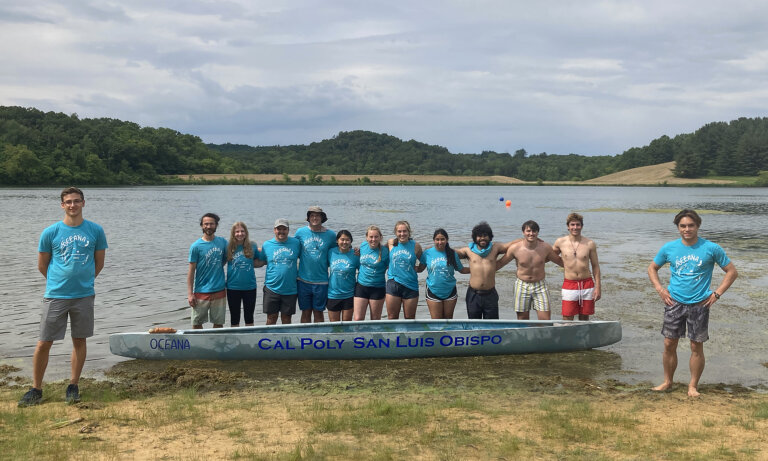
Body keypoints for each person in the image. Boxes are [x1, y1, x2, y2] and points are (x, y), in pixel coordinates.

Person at [19, 187, 108, 407]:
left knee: (79, 340)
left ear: (83, 203)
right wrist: (59, 281)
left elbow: (99, 263)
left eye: (76, 201)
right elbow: (42, 265)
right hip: (56, 295)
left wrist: (84, 280)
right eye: (68, 202)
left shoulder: (95, 231)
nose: (72, 205)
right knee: (44, 342)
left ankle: (73, 386)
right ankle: (36, 388)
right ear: (62, 205)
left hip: (84, 295)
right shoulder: (51, 232)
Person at [647, 209, 737, 397]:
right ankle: (667, 382)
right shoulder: (669, 248)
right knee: (669, 343)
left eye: (690, 225)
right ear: (678, 228)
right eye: (683, 226)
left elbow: (731, 272)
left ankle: (692, 386)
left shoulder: (711, 248)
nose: (687, 229)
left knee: (696, 346)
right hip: (674, 302)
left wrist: (717, 294)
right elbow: (652, 268)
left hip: (700, 304)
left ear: (697, 226)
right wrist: (660, 289)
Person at [497, 220, 563, 321]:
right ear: (523, 232)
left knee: (545, 320)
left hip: (540, 285)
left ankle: (542, 336)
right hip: (522, 284)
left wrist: (579, 266)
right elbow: (501, 263)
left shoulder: (545, 247)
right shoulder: (515, 248)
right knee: (522, 320)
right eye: (528, 231)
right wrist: (481, 270)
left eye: (534, 231)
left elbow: (559, 261)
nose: (531, 233)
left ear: (538, 232)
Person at [455, 222, 514, 319]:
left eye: (485, 235)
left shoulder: (495, 248)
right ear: (474, 238)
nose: (482, 238)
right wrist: (436, 248)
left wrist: (525, 240)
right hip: (473, 295)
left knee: (492, 325)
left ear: (490, 237)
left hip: (490, 294)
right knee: (474, 325)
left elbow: (511, 245)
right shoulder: (468, 251)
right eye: (479, 236)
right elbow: (452, 252)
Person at [553, 213, 601, 320]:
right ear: (568, 226)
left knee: (584, 318)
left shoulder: (589, 243)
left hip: (587, 284)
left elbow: (595, 266)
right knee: (567, 317)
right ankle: (567, 336)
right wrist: (562, 263)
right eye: (572, 225)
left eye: (578, 225)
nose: (575, 227)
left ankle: (583, 337)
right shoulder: (560, 242)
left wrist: (598, 287)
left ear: (582, 226)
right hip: (570, 284)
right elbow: (548, 256)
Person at [294, 206, 337, 323]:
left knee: (318, 312)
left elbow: (340, 251)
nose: (314, 218)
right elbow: (292, 247)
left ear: (322, 218)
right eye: (312, 215)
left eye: (317, 215)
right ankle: (304, 338)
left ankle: (319, 339)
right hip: (303, 280)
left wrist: (355, 252)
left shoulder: (331, 235)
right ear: (308, 218)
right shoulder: (300, 232)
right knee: (306, 311)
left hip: (321, 281)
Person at [187, 213, 228, 329]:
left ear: (216, 225)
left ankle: (217, 345)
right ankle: (198, 345)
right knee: (196, 323)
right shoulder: (196, 246)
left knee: (218, 323)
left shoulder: (223, 242)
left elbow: (228, 257)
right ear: (201, 226)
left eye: (211, 224)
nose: (209, 226)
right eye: (206, 224)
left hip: (219, 290)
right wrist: (190, 294)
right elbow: (191, 272)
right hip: (201, 291)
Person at [419, 229, 470, 319]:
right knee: (436, 322)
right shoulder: (427, 253)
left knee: (448, 320)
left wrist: (478, 269)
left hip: (450, 290)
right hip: (433, 290)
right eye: (437, 239)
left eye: (442, 239)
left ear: (447, 240)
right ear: (434, 240)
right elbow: (420, 269)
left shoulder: (453, 254)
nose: (440, 242)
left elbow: (461, 270)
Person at [262, 218, 301, 325]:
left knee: (287, 319)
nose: (281, 232)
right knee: (271, 318)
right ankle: (268, 341)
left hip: (290, 289)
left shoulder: (296, 243)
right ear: (274, 230)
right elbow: (259, 260)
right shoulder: (267, 245)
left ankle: (286, 341)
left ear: (288, 230)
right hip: (271, 288)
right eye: (279, 229)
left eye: (284, 229)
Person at [225, 222, 265, 327]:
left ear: (246, 233)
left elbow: (259, 261)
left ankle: (250, 342)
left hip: (250, 287)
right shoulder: (228, 247)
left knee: (249, 317)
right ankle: (234, 341)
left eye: (242, 231)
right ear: (233, 233)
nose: (240, 234)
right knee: (234, 318)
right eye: (237, 231)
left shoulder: (252, 245)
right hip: (232, 287)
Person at [386, 221, 423, 319]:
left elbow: (424, 261)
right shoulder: (391, 243)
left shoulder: (416, 246)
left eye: (404, 231)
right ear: (395, 232)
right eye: (399, 231)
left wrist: (419, 269)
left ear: (409, 232)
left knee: (410, 318)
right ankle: (393, 335)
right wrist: (386, 264)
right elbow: (380, 251)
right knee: (392, 317)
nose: (402, 234)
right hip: (393, 283)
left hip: (410, 285)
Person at [353, 225, 390, 321]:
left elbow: (390, 268)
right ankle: (358, 336)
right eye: (371, 237)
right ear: (366, 237)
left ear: (380, 238)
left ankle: (375, 336)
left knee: (375, 319)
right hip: (361, 286)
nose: (373, 239)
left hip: (377, 288)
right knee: (357, 319)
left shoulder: (385, 252)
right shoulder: (363, 246)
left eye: (376, 237)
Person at [327, 230, 360, 322]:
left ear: (351, 241)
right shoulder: (331, 252)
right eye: (342, 239)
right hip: (333, 295)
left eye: (347, 240)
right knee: (334, 327)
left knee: (347, 326)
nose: (344, 242)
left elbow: (362, 271)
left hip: (349, 295)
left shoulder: (355, 254)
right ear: (337, 241)